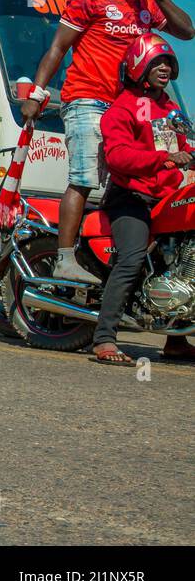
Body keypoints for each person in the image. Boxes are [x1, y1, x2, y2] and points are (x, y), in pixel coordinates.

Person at [21, 0, 194, 284]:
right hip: (86, 97)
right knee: (85, 178)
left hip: (124, 106)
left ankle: (111, 253)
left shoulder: (148, 5)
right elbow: (58, 47)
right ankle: (64, 258)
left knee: (124, 181)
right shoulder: (91, 0)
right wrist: (37, 94)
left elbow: (187, 31)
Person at [92, 35, 195, 365]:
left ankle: (175, 341)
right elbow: (119, 157)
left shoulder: (171, 108)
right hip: (130, 196)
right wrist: (164, 160)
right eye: (157, 63)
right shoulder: (120, 108)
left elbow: (187, 145)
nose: (164, 68)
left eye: (168, 63)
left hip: (166, 196)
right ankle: (104, 337)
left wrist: (188, 156)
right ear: (139, 67)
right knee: (132, 257)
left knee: (179, 258)